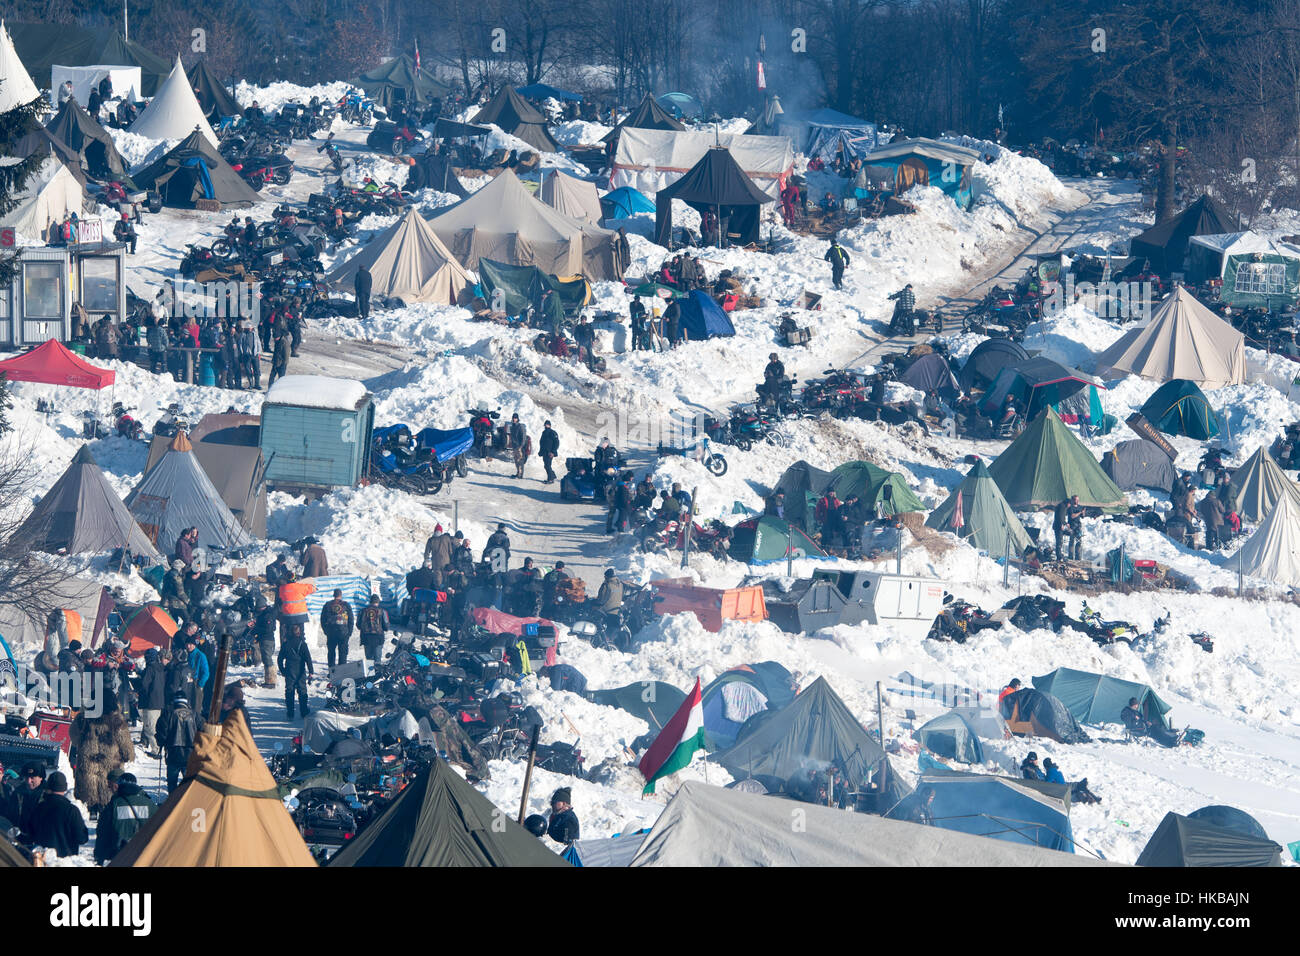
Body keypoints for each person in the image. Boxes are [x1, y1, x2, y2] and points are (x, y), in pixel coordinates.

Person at [94, 771, 155, 865]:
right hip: (145, 854)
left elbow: (102, 832)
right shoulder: (150, 803)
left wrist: (99, 857)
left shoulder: (114, 804)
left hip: (119, 855)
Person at [24, 771, 87, 858]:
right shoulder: (72, 811)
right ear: (65, 788)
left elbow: (30, 834)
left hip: (43, 859)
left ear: (48, 787)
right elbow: (82, 838)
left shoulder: (38, 808)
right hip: (65, 861)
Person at [156, 692, 199, 792]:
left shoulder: (168, 713)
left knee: (172, 782)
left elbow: (161, 732)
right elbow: (203, 729)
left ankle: (172, 802)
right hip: (190, 753)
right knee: (188, 782)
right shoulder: (194, 714)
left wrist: (161, 743)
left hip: (173, 753)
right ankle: (186, 803)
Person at [278, 624, 314, 720]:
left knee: (289, 691)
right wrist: (311, 671)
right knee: (302, 691)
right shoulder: (302, 644)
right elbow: (308, 659)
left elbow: (279, 659)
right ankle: (304, 712)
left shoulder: (286, 644)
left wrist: (282, 670)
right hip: (300, 670)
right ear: (299, 633)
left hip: (289, 670)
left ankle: (290, 713)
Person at [3, 763, 46, 836]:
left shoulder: (47, 796)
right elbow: (10, 816)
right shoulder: (17, 793)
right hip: (18, 837)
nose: (29, 781)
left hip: (40, 839)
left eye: (32, 778)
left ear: (41, 778)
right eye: (26, 777)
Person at [320, 588, 354, 668]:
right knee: (343, 653)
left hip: (331, 633)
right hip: (343, 632)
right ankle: (342, 671)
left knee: (331, 653)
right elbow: (351, 619)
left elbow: (322, 619)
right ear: (341, 595)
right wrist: (349, 632)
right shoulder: (346, 605)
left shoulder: (327, 605)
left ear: (333, 595)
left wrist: (326, 631)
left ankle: (332, 671)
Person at [358, 594, 389, 665]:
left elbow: (358, 625)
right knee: (377, 660)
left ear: (370, 601)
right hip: (378, 638)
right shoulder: (382, 611)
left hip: (366, 638)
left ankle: (370, 675)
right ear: (378, 602)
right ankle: (377, 674)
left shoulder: (363, 611)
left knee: (369, 660)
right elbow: (386, 626)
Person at [509, 414, 530, 479]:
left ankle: (520, 475)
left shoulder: (520, 426)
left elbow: (523, 437)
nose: (514, 419)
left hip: (520, 447)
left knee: (520, 460)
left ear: (518, 419)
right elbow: (512, 437)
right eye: (513, 418)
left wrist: (521, 446)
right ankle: (518, 472)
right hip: (515, 446)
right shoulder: (512, 427)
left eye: (515, 418)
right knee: (516, 461)